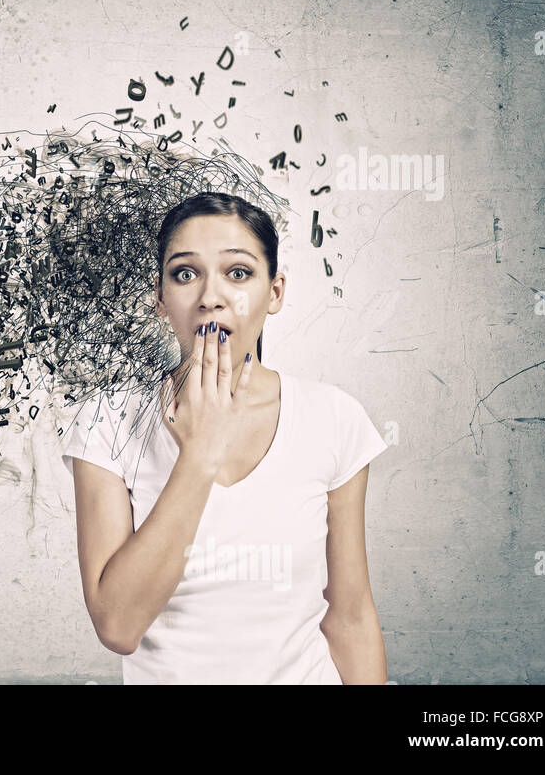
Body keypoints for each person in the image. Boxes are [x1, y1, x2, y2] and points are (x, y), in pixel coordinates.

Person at [60, 192, 390, 683]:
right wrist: (200, 453)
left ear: (274, 292)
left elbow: (351, 615)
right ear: (160, 297)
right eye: (185, 274)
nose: (210, 296)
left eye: (238, 273)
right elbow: (118, 625)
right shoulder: (106, 422)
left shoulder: (334, 418)